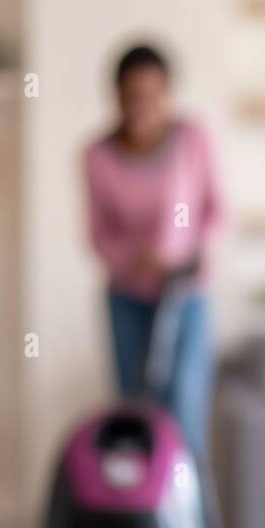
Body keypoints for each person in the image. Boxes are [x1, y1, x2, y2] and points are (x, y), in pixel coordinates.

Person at [83, 43, 223, 470]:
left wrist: (183, 255)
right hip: (127, 297)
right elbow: (99, 233)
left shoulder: (192, 139)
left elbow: (214, 210)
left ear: (167, 94)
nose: (141, 105)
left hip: (185, 293)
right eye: (132, 95)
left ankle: (189, 525)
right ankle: (138, 520)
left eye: (152, 95)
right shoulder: (97, 156)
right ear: (117, 96)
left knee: (184, 407)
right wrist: (135, 260)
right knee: (136, 408)